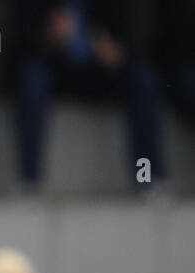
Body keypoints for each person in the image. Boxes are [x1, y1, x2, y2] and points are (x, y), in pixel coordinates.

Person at [13, 1, 167, 191]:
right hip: (55, 68)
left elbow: (137, 28)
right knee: (32, 79)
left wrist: (116, 49)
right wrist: (48, 35)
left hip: (103, 69)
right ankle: (30, 180)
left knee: (144, 81)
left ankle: (147, 178)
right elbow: (15, 37)